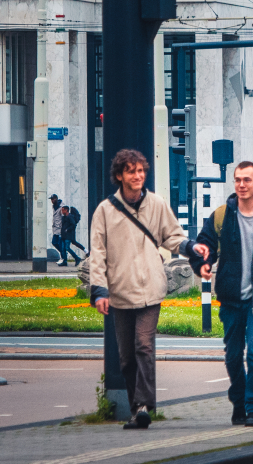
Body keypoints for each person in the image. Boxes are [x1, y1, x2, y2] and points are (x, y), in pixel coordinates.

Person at [90, 149, 205, 430]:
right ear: (120, 176)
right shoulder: (104, 211)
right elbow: (98, 254)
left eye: (141, 171)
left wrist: (191, 248)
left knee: (144, 346)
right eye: (131, 171)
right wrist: (99, 291)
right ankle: (135, 408)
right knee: (126, 357)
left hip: (151, 288)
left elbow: (173, 237)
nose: (138, 176)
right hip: (119, 292)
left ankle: (143, 407)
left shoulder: (156, 204)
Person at [190, 161, 253, 428]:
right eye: (237, 180)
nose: (241, 185)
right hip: (231, 298)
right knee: (234, 355)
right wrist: (202, 262)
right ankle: (239, 401)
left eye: (247, 180)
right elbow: (205, 245)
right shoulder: (223, 215)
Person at [50, 194, 64, 264]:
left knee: (60, 243)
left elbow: (63, 217)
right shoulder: (54, 206)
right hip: (55, 228)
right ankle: (63, 253)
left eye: (53, 199)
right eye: (51, 199)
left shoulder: (61, 207)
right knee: (54, 242)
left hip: (60, 228)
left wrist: (63, 227)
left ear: (56, 199)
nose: (52, 201)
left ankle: (63, 257)